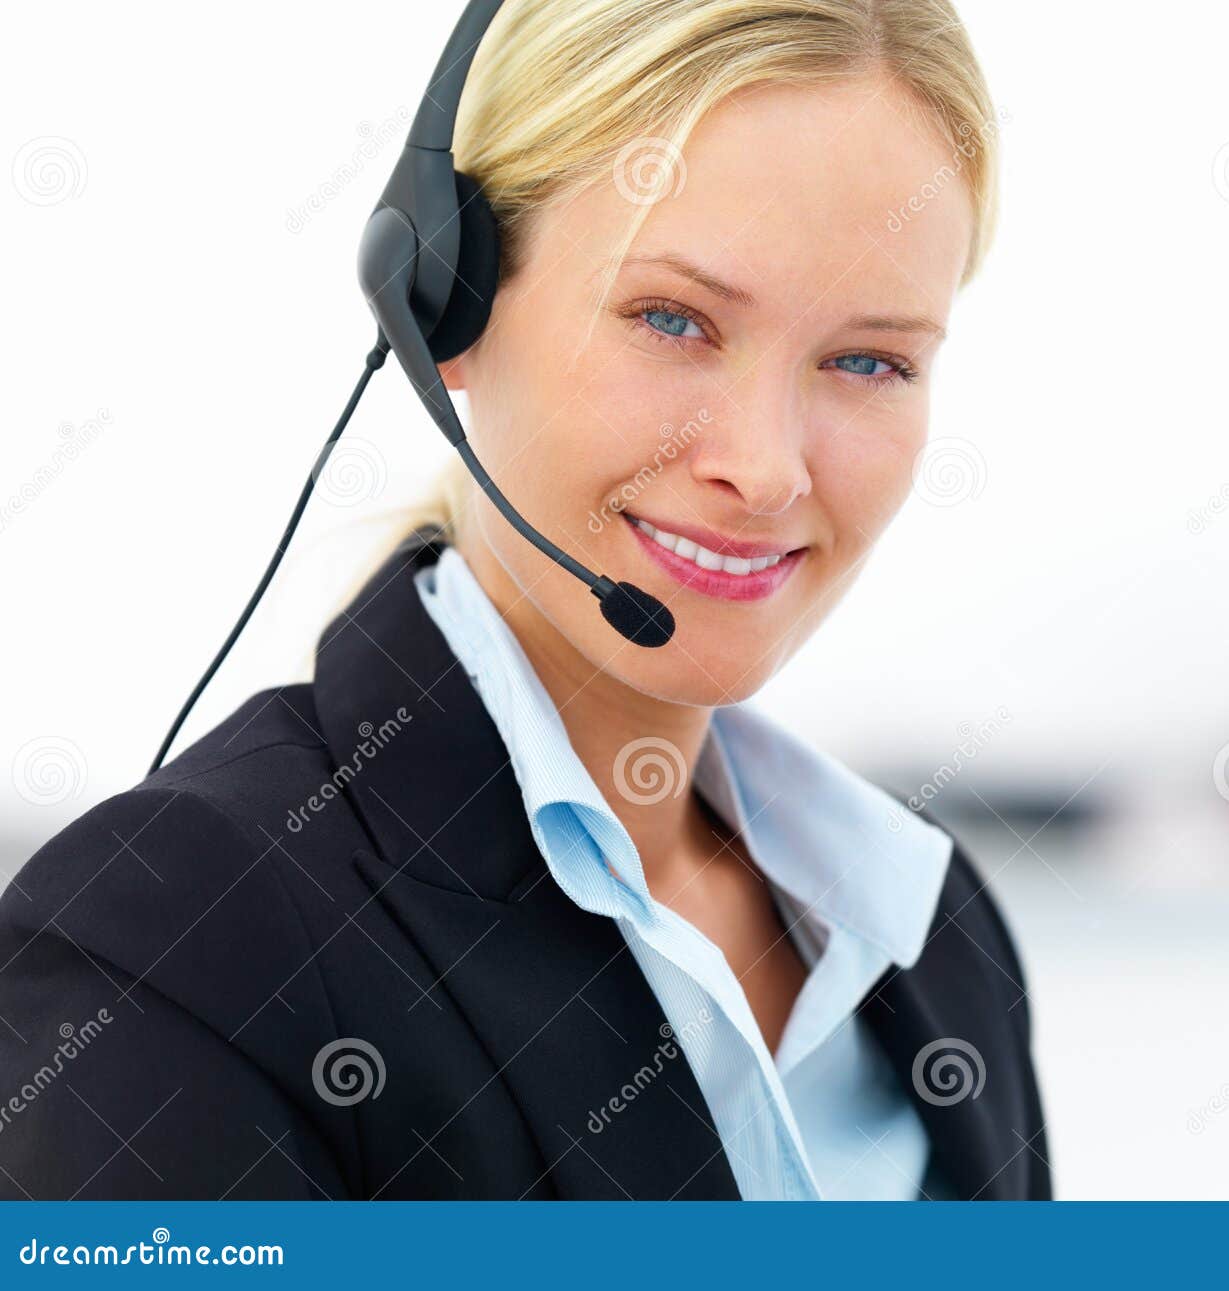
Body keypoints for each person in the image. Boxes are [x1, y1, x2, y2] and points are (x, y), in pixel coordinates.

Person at [0, 0, 1047, 1200]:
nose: (766, 468)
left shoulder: (933, 930)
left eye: (869, 361)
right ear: (441, 303)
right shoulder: (174, 941)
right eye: (672, 320)